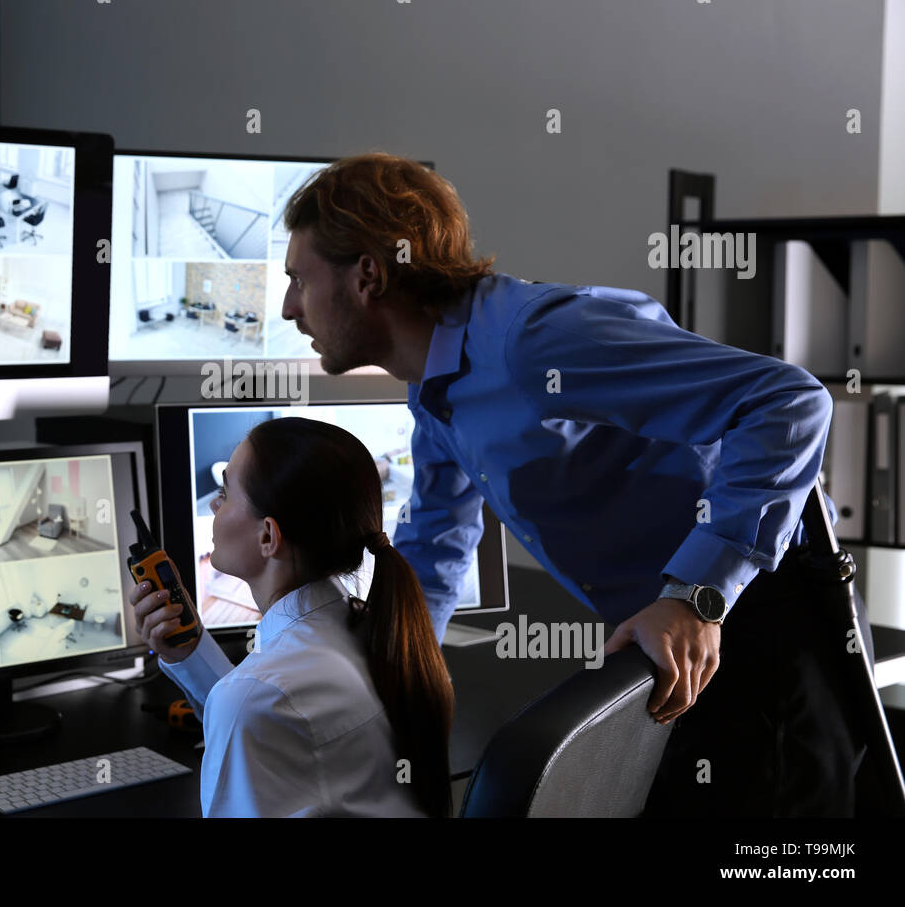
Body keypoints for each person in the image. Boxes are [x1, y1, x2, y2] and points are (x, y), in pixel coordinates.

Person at [275, 151, 871, 816]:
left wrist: (696, 595)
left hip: (758, 626)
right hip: (671, 644)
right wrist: (379, 675)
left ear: (367, 276)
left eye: (299, 278)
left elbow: (789, 401)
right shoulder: (434, 386)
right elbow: (437, 544)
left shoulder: (533, 340)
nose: (287, 306)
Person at [132, 416, 454, 817]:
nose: (215, 505)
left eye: (225, 492)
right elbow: (274, 708)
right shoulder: (374, 630)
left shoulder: (259, 695)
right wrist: (190, 649)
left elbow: (260, 703)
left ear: (268, 537)